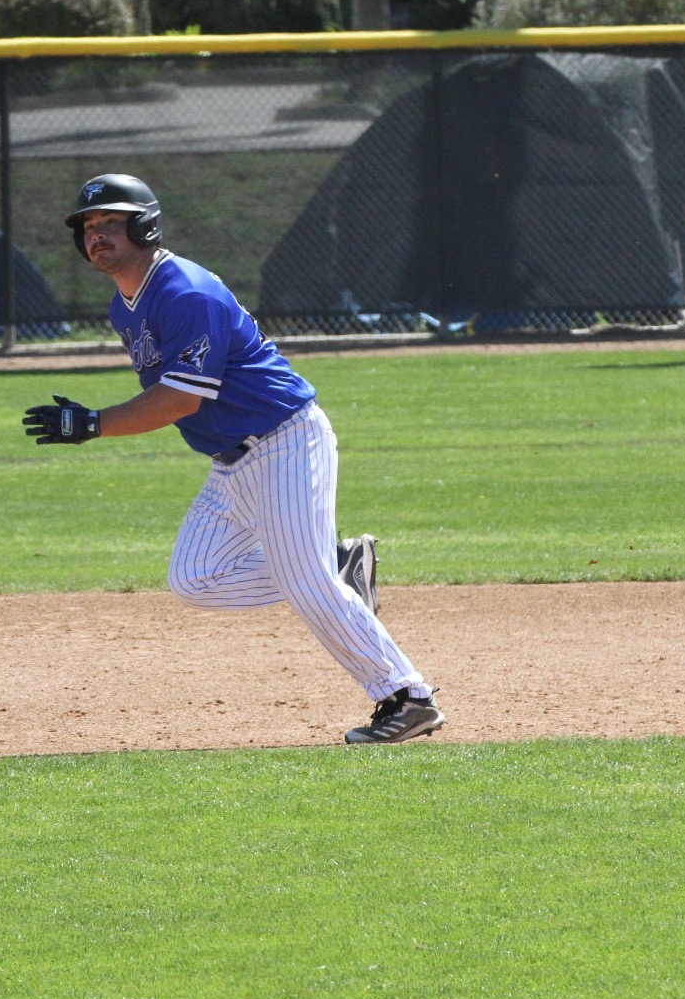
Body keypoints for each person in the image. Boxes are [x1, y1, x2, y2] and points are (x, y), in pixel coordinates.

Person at [24, 175, 443, 744]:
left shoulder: (184, 292)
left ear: (145, 225)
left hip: (285, 442)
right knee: (196, 578)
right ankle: (333, 565)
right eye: (88, 228)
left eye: (110, 223)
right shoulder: (127, 305)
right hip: (231, 463)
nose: (96, 236)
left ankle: (407, 696)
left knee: (306, 582)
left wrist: (93, 424)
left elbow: (180, 398)